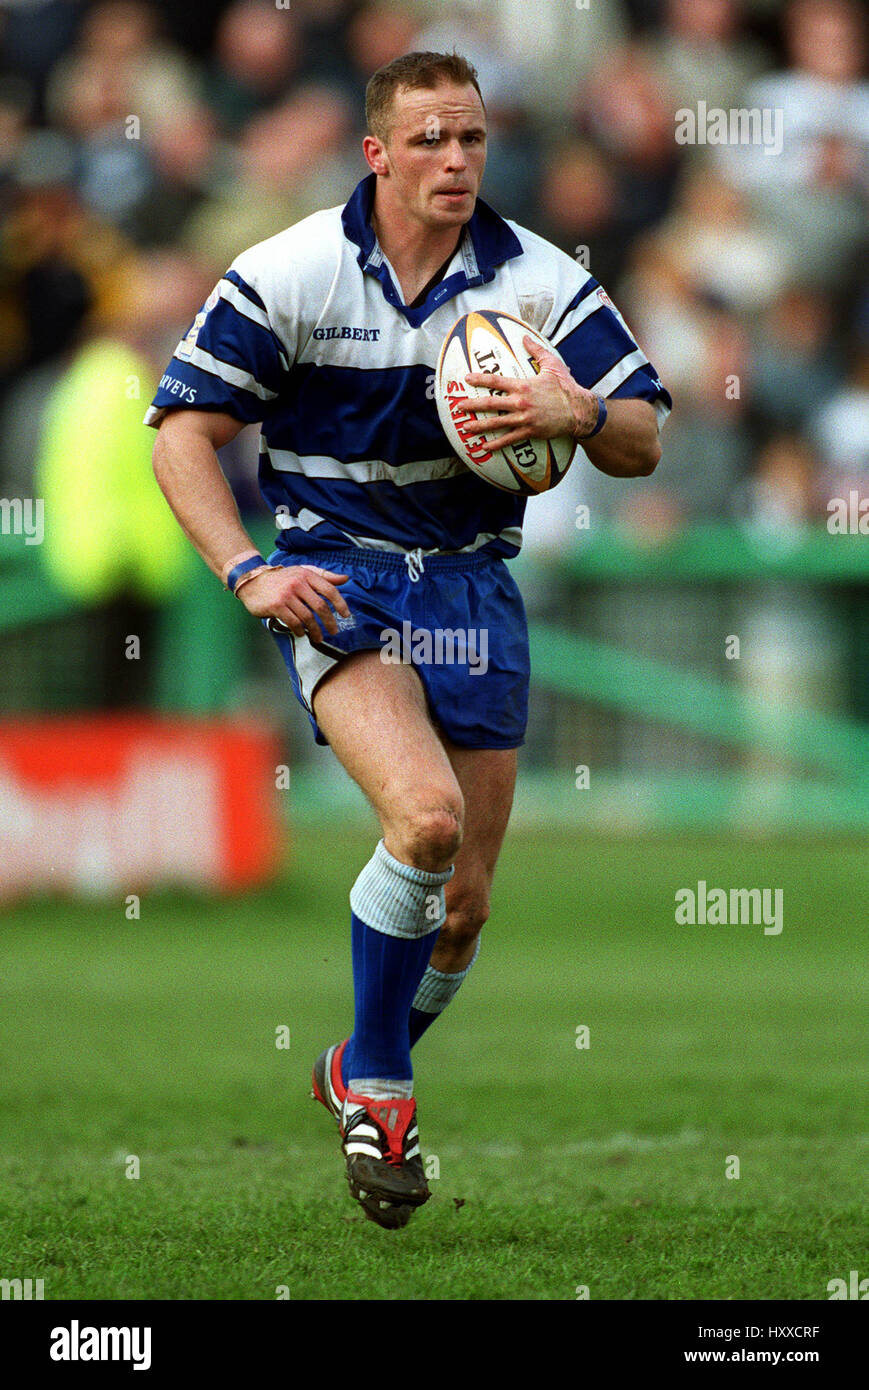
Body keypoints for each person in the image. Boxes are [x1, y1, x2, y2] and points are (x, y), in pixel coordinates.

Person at [147, 50, 670, 1230]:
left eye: (472, 139)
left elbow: (642, 432)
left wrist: (574, 410)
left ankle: (355, 1057)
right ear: (375, 152)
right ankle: (380, 1092)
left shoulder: (537, 280)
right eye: (430, 139)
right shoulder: (290, 271)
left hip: (474, 593)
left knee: (467, 903)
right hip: (342, 583)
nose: (454, 160)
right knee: (422, 821)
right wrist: (248, 567)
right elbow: (181, 432)